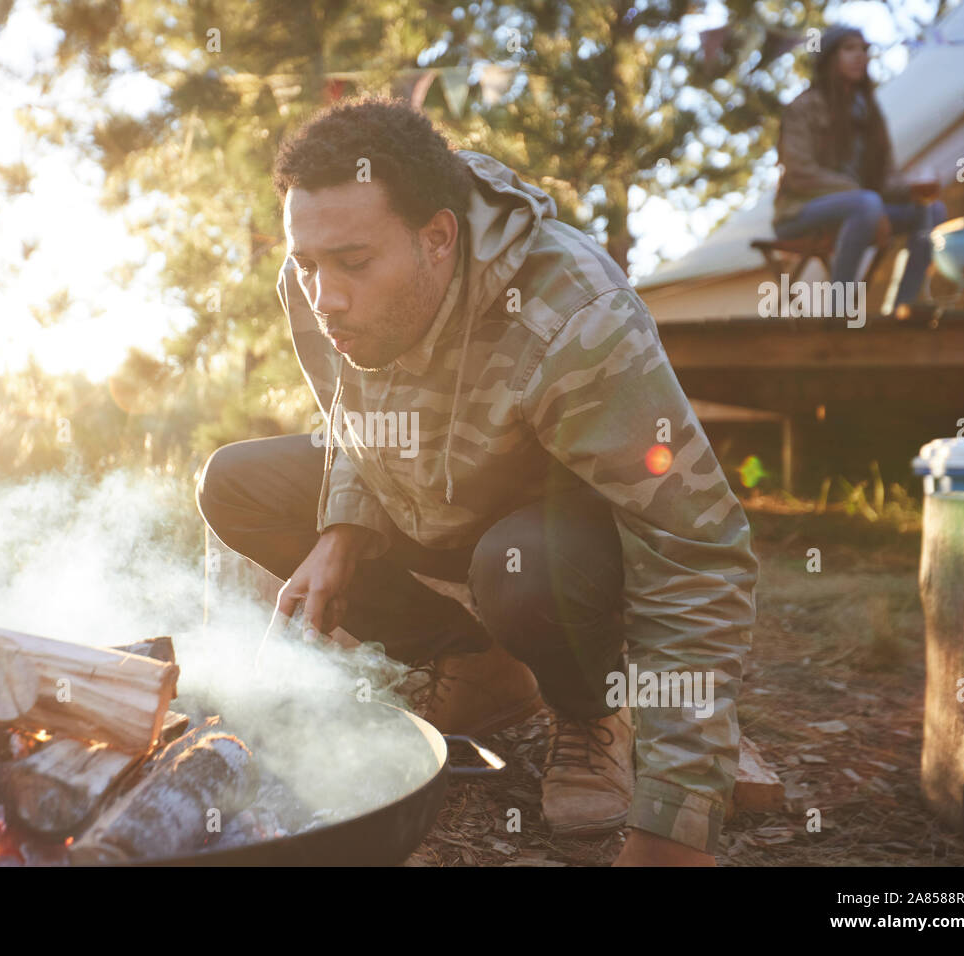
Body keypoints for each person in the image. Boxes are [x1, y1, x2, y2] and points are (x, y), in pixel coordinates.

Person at [195, 97, 759, 866]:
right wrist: (342, 526)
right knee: (235, 483)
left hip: (557, 540)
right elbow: (355, 411)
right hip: (428, 496)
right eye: (306, 263)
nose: (323, 296)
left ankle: (591, 709)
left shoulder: (573, 315)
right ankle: (478, 665)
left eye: (353, 264)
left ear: (438, 238)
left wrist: (677, 822)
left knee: (519, 569)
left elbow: (697, 550)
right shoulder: (322, 278)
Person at [773, 24, 948, 307]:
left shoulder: (870, 113)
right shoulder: (803, 107)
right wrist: (863, 197)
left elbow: (886, 179)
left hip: (862, 209)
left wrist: (910, 190)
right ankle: (838, 309)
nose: (860, 56)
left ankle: (904, 306)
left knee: (932, 211)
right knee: (866, 203)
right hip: (800, 213)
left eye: (864, 49)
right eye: (849, 48)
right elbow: (799, 171)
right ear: (830, 56)